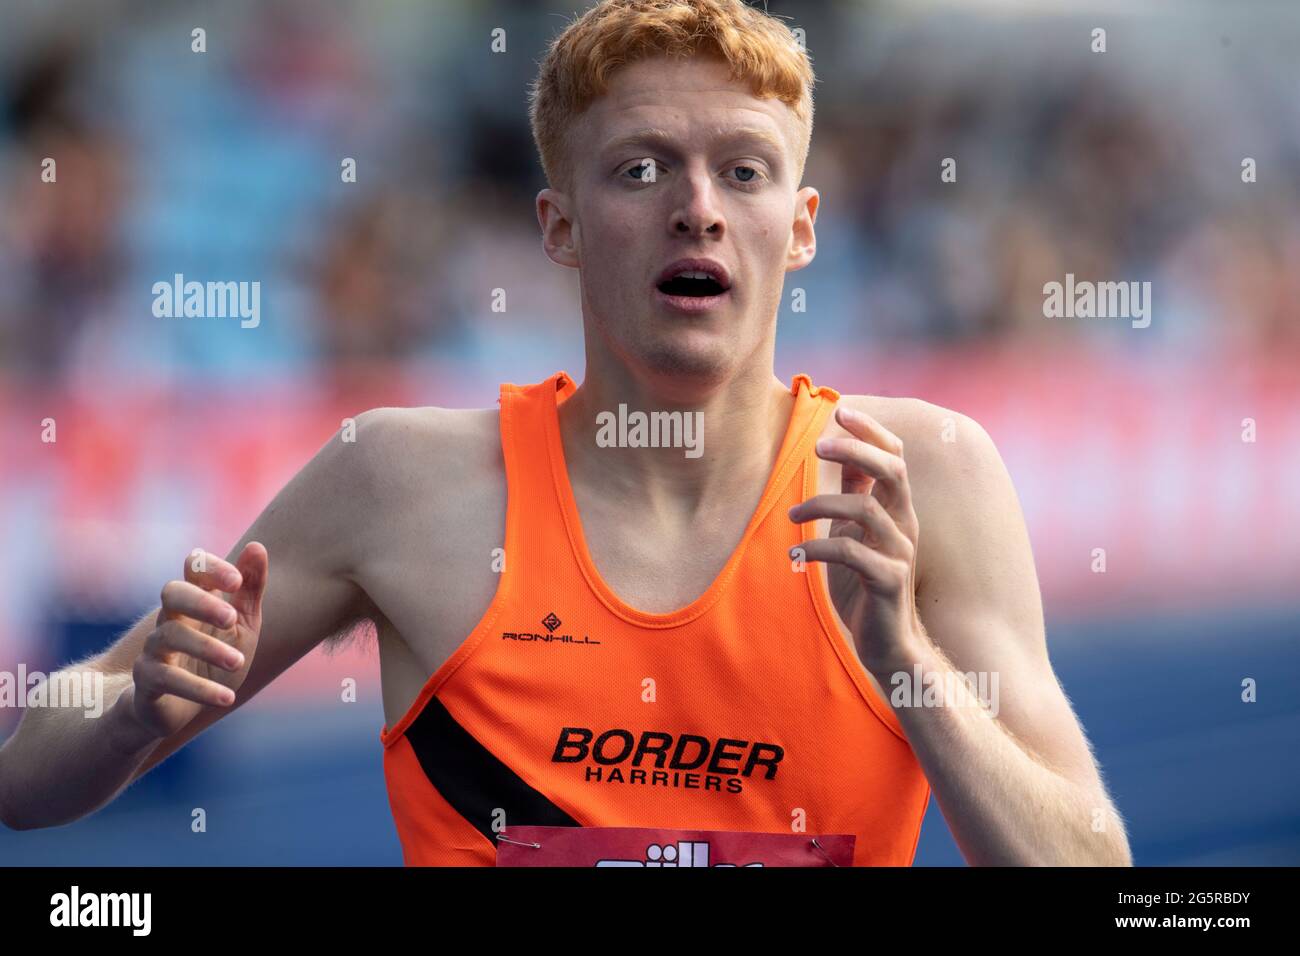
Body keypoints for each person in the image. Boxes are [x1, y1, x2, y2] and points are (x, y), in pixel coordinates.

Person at [0, 0, 1131, 866]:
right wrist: (134, 710)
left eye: (743, 169)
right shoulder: (400, 481)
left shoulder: (916, 478)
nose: (697, 205)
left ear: (799, 228)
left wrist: (906, 665)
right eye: (641, 168)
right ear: (559, 225)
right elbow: (23, 776)